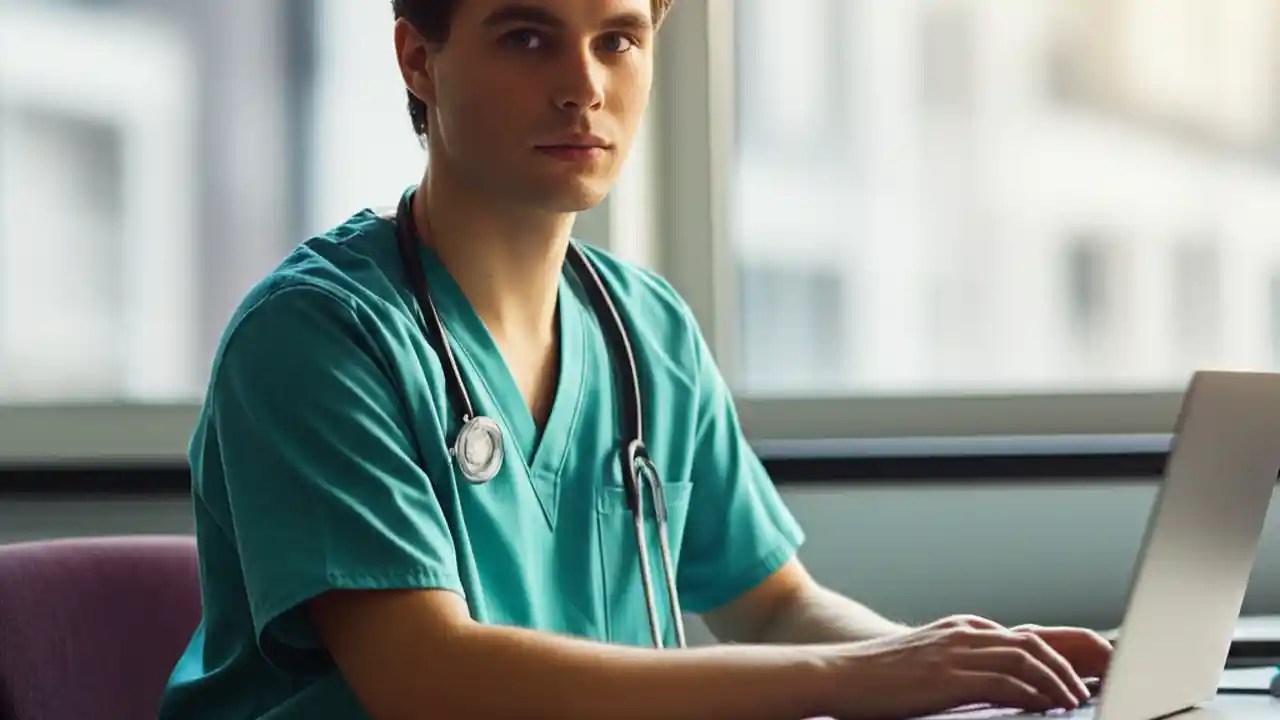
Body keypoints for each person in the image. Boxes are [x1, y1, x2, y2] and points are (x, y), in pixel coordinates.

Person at [157, 1, 1112, 718]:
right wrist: (852, 676)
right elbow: (428, 679)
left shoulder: (644, 328)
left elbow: (775, 610)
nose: (584, 85)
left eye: (617, 39)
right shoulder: (317, 335)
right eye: (526, 37)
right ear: (419, 59)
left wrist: (971, 670)